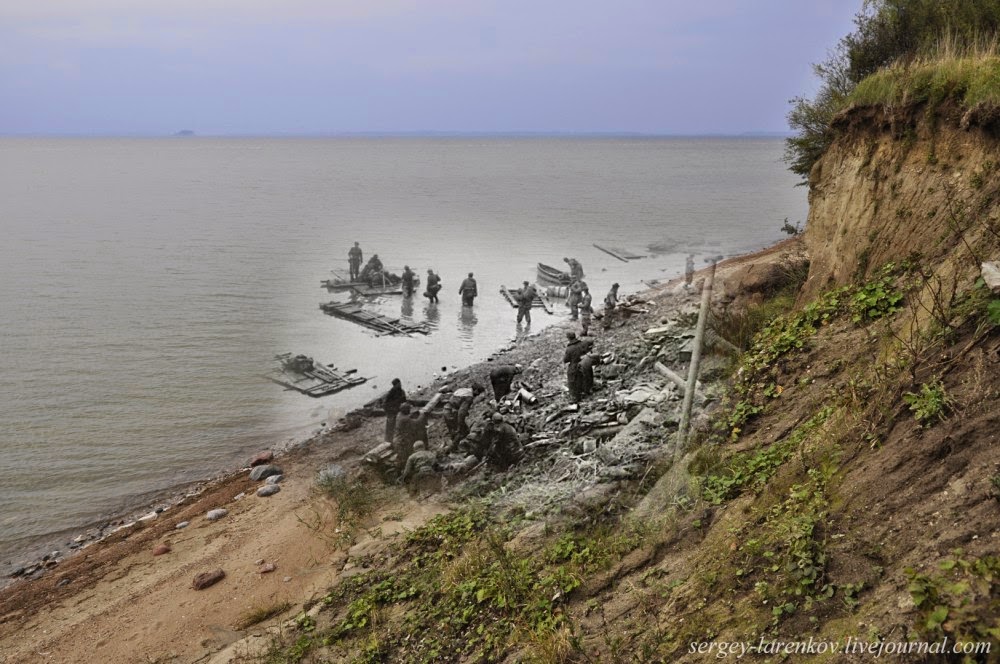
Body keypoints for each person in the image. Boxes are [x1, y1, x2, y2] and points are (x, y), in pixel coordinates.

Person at [563, 331, 588, 402]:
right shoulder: (581, 343)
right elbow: (585, 350)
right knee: (582, 377)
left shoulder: (569, 348)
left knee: (571, 378)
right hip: (583, 362)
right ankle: (584, 390)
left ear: (568, 338)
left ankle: (575, 396)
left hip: (575, 364)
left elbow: (565, 360)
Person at [382, 378, 406, 443]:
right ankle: (388, 441)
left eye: (400, 383)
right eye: (398, 384)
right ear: (395, 385)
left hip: (399, 410)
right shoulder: (390, 393)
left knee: (401, 424)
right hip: (391, 412)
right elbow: (384, 405)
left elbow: (404, 401)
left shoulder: (402, 391)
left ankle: (401, 438)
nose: (400, 385)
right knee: (390, 426)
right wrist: (391, 410)